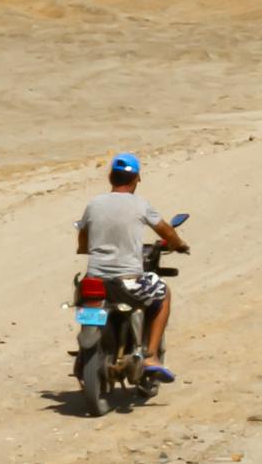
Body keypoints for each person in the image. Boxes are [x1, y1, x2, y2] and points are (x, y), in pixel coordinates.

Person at [76, 152, 184, 383]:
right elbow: (166, 231)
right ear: (136, 179)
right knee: (163, 294)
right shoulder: (140, 205)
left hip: (95, 279)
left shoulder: (94, 204)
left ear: (110, 178)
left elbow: (83, 238)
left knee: (81, 294)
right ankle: (151, 357)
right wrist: (179, 244)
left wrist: (85, 248)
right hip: (128, 281)